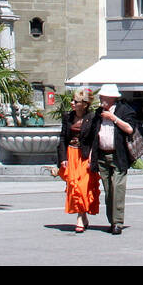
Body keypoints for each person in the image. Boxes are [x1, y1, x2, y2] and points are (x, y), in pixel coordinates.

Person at [54, 88, 100, 232]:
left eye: (76, 101)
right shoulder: (68, 116)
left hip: (85, 155)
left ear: (84, 104)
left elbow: (95, 139)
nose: (72, 103)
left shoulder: (92, 118)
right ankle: (82, 217)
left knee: (83, 186)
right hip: (71, 154)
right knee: (74, 187)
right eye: (73, 100)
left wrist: (93, 155)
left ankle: (81, 217)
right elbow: (62, 138)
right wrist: (62, 158)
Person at [94, 84, 137, 233]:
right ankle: (112, 221)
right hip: (102, 155)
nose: (101, 100)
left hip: (119, 155)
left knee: (117, 188)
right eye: (100, 97)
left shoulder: (124, 111)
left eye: (103, 97)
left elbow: (130, 129)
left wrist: (113, 118)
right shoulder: (98, 113)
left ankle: (118, 222)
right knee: (108, 191)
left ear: (112, 98)